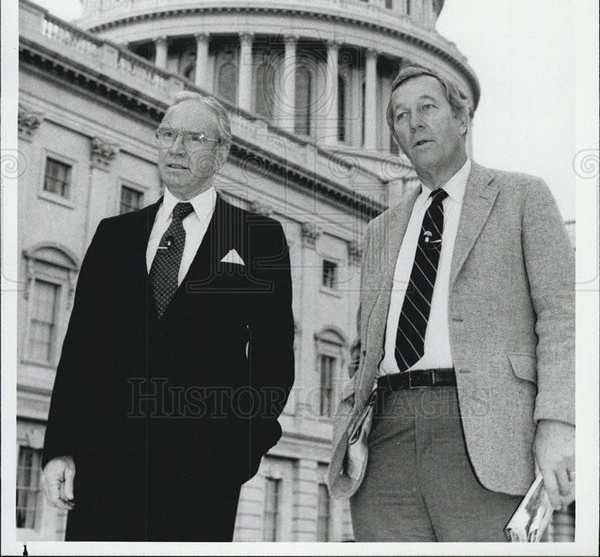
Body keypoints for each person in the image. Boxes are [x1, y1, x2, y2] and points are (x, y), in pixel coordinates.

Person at [328, 64, 575, 542]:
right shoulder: (380, 231)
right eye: (400, 116)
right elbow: (365, 347)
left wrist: (559, 422)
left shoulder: (523, 196)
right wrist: (349, 421)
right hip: (386, 438)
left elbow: (564, 317)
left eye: (427, 108)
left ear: (462, 119)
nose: (414, 123)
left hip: (485, 433)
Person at [41, 92, 295, 541]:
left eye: (194, 137)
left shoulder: (258, 238)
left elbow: (274, 359)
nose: (176, 148)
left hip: (203, 475)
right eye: (168, 134)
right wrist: (60, 448)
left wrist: (244, 448)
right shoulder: (114, 235)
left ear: (220, 153)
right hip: (104, 466)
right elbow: (80, 349)